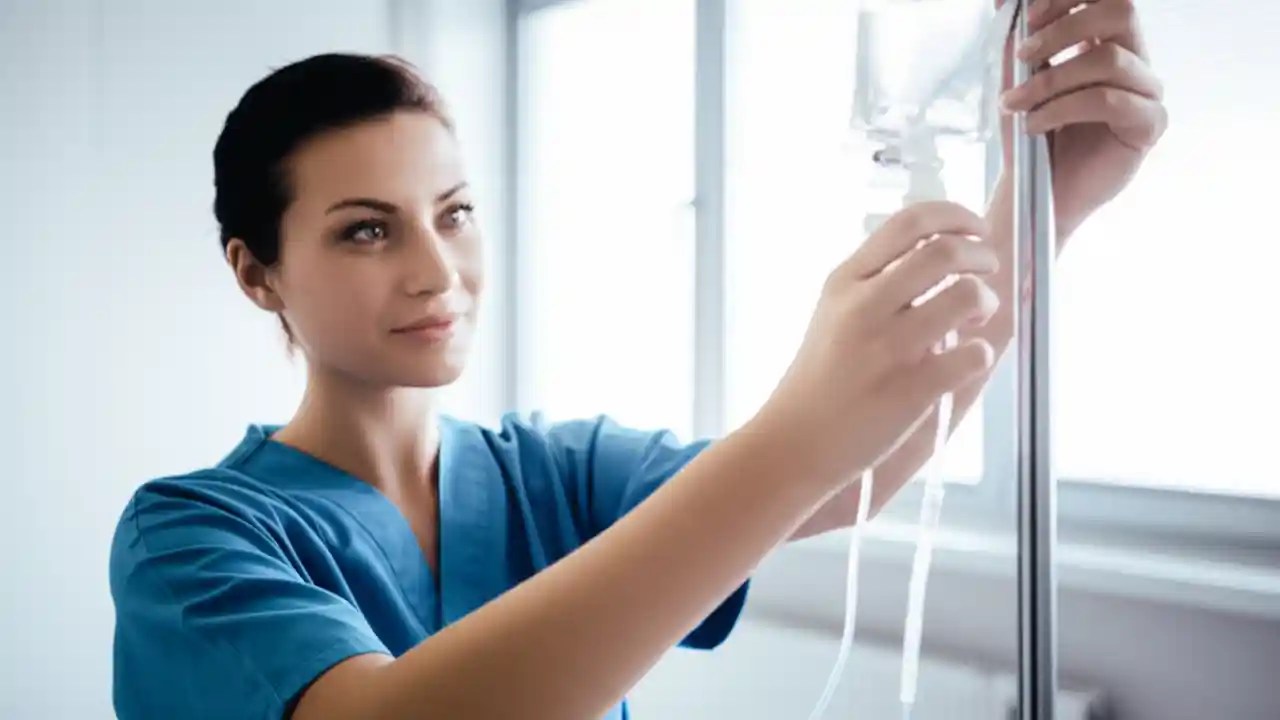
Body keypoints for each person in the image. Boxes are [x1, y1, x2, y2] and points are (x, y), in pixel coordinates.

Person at [109, 2, 1166, 718]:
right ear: (257, 273)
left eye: (455, 213)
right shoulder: (190, 540)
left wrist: (1048, 199)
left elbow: (839, 484)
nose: (438, 271)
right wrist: (796, 433)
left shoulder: (557, 474)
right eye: (366, 230)